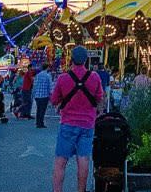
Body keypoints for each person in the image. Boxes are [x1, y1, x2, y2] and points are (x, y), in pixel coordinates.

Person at [50, 46, 103, 192]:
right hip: (87, 124)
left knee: (60, 161)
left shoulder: (63, 78)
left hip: (67, 123)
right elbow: (99, 98)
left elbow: (54, 100)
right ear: (86, 60)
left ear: (71, 59)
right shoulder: (94, 77)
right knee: (84, 159)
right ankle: (81, 190)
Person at [33, 62, 54, 128]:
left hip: (37, 95)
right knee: (42, 110)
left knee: (38, 109)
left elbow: (35, 85)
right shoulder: (48, 76)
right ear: (47, 68)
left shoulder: (38, 75)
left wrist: (34, 93)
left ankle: (37, 122)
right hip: (44, 95)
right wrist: (51, 94)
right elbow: (50, 86)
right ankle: (41, 123)